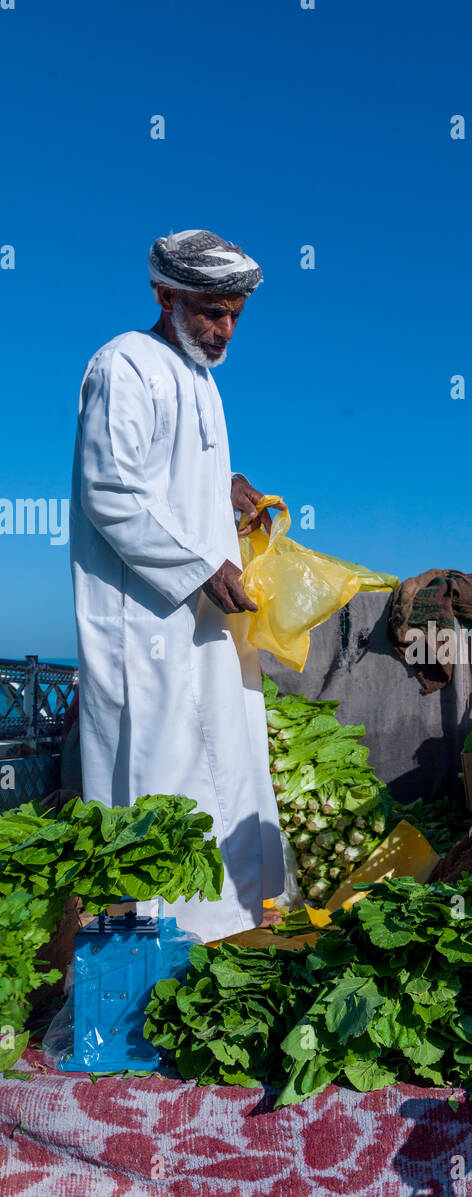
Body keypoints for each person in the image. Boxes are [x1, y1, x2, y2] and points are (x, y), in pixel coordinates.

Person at [69, 229, 284, 942]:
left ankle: (227, 939)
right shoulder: (124, 364)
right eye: (210, 313)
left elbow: (173, 473)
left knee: (226, 771)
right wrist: (199, 568)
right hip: (146, 627)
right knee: (158, 787)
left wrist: (230, 488)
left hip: (204, 628)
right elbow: (111, 490)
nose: (223, 329)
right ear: (165, 295)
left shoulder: (200, 378)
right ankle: (150, 962)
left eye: (234, 316)